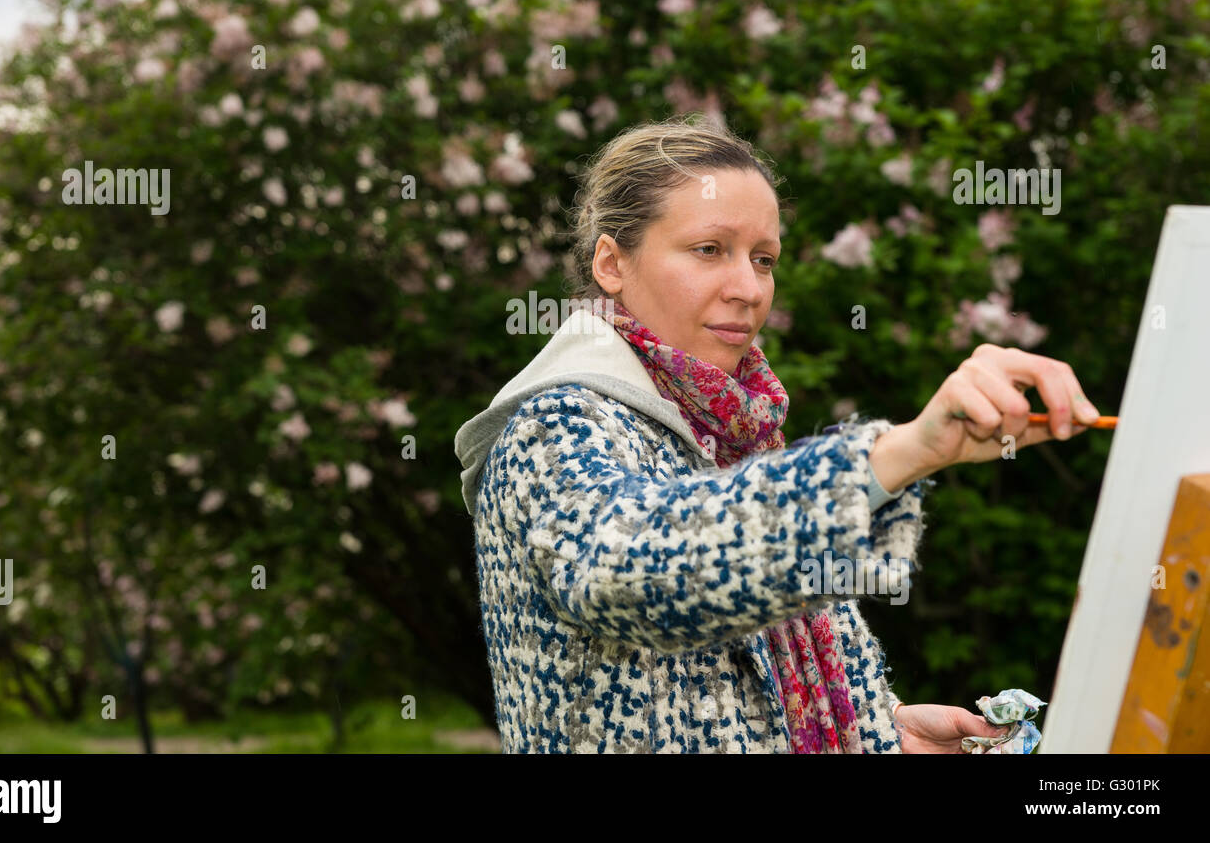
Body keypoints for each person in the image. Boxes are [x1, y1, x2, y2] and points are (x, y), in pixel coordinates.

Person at [453, 114, 1099, 753]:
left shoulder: (742, 438)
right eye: (710, 250)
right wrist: (900, 451)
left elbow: (749, 688)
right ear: (611, 263)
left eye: (763, 259)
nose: (748, 288)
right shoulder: (550, 428)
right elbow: (637, 570)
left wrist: (882, 731)